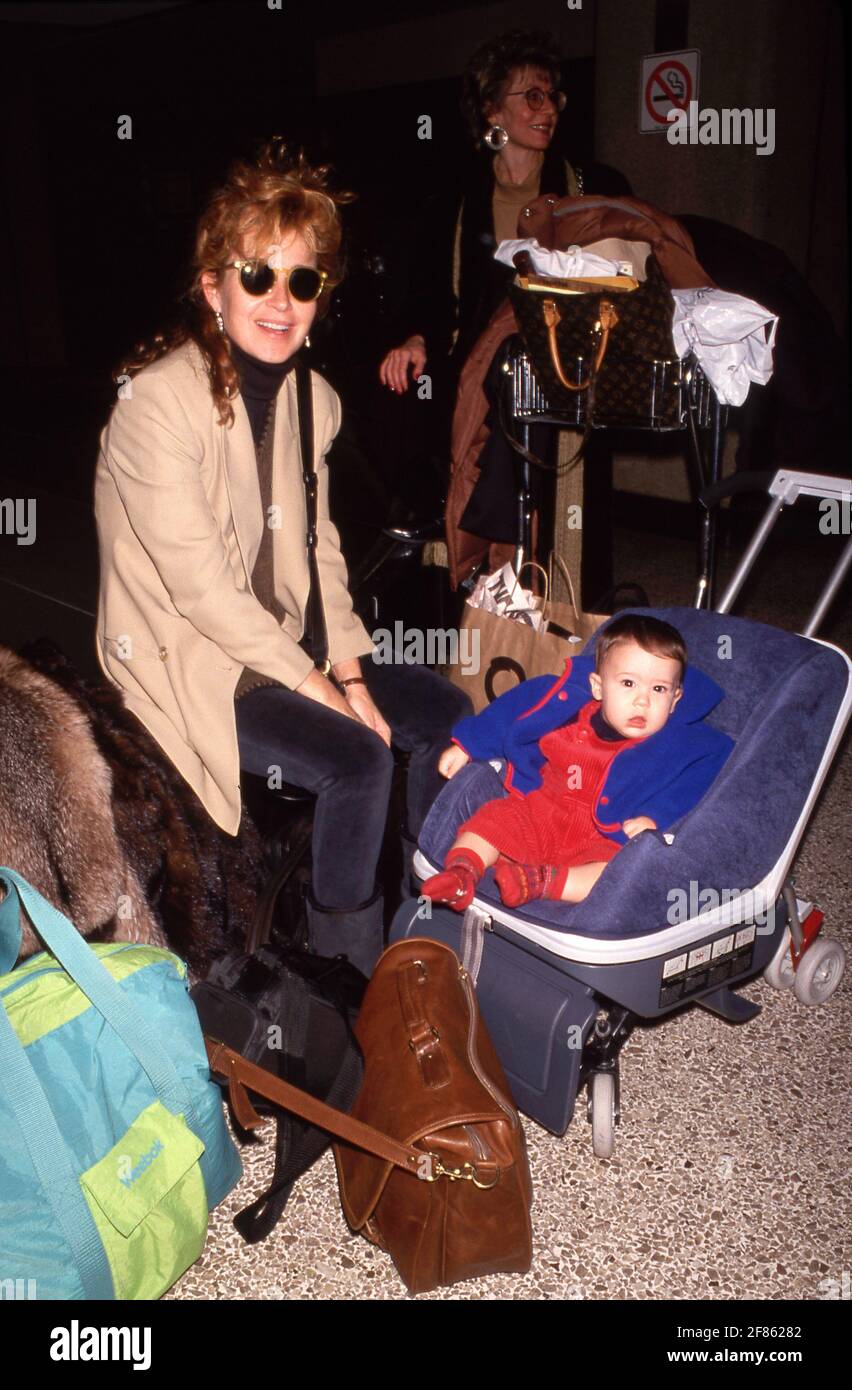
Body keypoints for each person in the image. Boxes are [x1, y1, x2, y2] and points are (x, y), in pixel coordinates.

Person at [95, 140, 472, 977]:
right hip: (194, 662)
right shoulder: (155, 405)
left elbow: (321, 546)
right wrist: (328, 696)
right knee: (358, 758)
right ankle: (349, 983)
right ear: (211, 287)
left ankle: (427, 914)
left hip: (285, 649)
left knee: (442, 712)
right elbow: (200, 591)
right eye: (256, 275)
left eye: (301, 281)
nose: (280, 300)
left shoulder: (316, 399)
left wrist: (354, 673)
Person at [421, 615, 733, 910]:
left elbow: (707, 769)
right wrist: (469, 745)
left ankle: (541, 882)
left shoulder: (681, 740)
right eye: (628, 684)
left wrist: (656, 815)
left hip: (603, 834)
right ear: (598, 686)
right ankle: (462, 873)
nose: (643, 700)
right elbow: (516, 706)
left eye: (659, 689)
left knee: (615, 873)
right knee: (490, 821)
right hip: (542, 810)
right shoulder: (567, 703)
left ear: (675, 698)